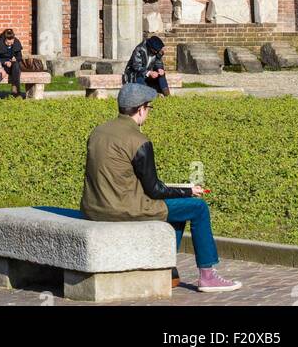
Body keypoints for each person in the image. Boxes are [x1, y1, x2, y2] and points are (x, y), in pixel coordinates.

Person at [81, 82, 242, 293]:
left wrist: (176, 191)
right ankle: (208, 276)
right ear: (141, 109)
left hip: (94, 207)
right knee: (197, 208)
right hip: (122, 209)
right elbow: (154, 190)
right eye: (148, 108)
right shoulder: (138, 140)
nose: (148, 113)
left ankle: (167, 270)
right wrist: (188, 191)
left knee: (176, 210)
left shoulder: (98, 131)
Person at [0, 28, 25, 98]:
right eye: (8, 43)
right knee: (15, 68)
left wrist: (15, 59)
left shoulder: (16, 42)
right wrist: (4, 62)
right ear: (5, 39)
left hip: (13, 65)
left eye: (11, 42)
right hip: (1, 65)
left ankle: (15, 90)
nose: (10, 44)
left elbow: (19, 56)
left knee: (16, 66)